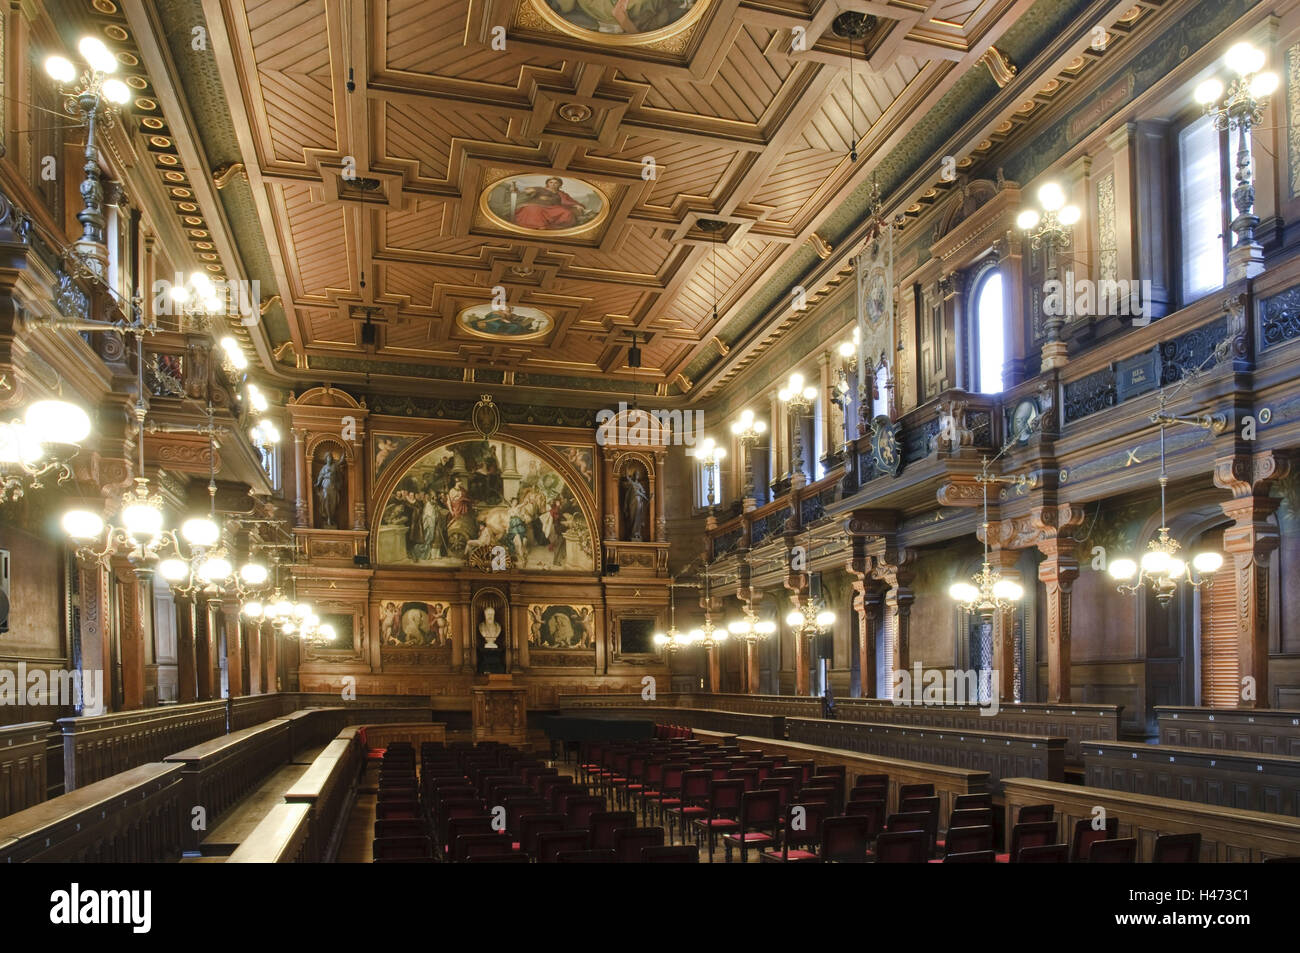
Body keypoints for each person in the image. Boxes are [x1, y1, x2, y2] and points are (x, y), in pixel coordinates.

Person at [510, 177, 590, 230]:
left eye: (556, 183)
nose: (553, 184)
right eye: (551, 182)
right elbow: (527, 191)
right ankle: (538, 226)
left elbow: (569, 201)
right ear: (547, 183)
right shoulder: (540, 189)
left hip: (553, 208)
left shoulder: (562, 194)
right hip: (537, 204)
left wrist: (576, 205)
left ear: (560, 185)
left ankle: (555, 227)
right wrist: (517, 190)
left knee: (567, 213)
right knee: (534, 209)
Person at [314, 452, 342, 528]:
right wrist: (317, 483)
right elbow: (320, 477)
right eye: (328, 457)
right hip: (325, 485)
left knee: (333, 503)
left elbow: (339, 476)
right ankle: (329, 518)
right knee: (326, 498)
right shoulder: (324, 468)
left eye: (330, 457)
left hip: (333, 487)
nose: (329, 459)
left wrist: (339, 484)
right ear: (326, 459)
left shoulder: (335, 466)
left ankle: (331, 517)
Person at [622, 469, 649, 541]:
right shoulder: (631, 483)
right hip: (632, 503)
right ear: (634, 475)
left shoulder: (639, 485)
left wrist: (647, 498)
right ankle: (632, 533)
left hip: (639, 503)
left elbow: (643, 493)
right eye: (635, 474)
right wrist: (627, 466)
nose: (636, 476)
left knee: (638, 518)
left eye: (638, 474)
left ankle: (637, 534)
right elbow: (627, 477)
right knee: (632, 518)